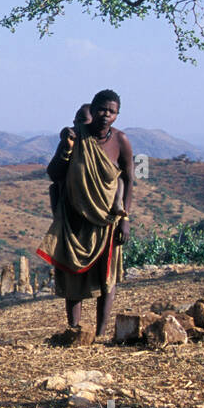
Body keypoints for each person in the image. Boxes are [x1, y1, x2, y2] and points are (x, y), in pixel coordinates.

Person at [37, 90, 134, 337]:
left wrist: (125, 218)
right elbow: (54, 173)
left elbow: (129, 179)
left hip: (108, 219)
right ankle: (75, 330)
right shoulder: (76, 138)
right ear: (94, 108)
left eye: (111, 112)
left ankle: (100, 333)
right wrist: (66, 148)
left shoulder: (121, 141)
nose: (105, 115)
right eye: (102, 109)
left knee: (107, 277)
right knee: (73, 272)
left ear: (117, 115)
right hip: (74, 217)